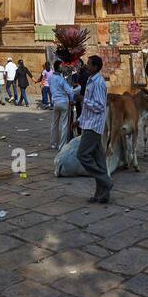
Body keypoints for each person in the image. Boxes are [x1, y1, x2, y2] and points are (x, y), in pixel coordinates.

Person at [75, 55, 113, 203]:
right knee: (99, 160)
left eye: (89, 64)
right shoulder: (92, 80)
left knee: (82, 155)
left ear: (96, 67)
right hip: (89, 122)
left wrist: (82, 99)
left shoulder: (98, 83)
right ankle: (102, 194)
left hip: (94, 125)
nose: (87, 66)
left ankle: (106, 181)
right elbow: (89, 107)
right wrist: (78, 121)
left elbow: (98, 106)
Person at [48, 63, 76, 151]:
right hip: (63, 102)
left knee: (54, 123)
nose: (63, 68)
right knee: (64, 125)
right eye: (62, 67)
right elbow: (70, 91)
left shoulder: (50, 78)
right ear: (59, 68)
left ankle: (53, 143)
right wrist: (72, 100)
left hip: (55, 102)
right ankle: (62, 145)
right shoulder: (61, 79)